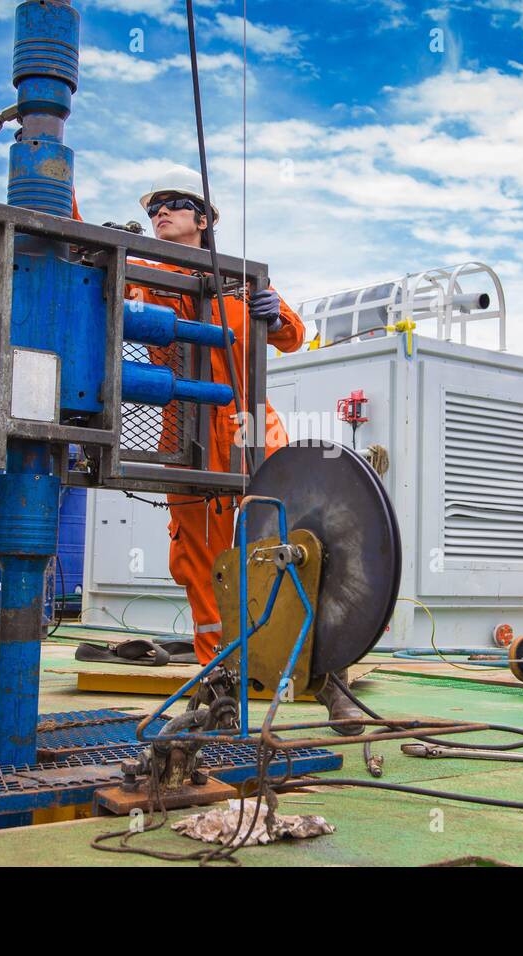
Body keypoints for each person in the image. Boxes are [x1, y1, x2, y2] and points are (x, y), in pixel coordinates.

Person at [125, 165, 364, 733]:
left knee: (288, 546)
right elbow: (117, 290)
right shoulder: (144, 276)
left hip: (251, 426)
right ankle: (221, 685)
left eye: (175, 204)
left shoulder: (241, 279)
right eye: (153, 207)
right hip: (184, 433)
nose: (160, 213)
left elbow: (291, 334)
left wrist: (273, 307)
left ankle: (328, 679)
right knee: (201, 566)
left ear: (204, 220)